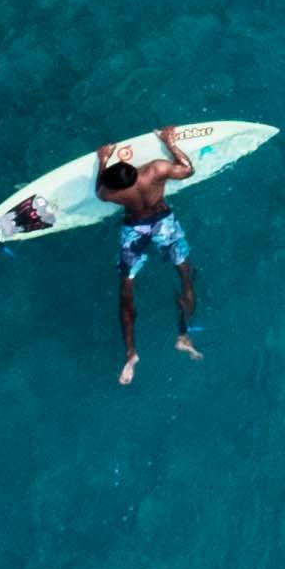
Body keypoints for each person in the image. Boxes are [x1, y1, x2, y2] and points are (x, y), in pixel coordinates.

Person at [103, 131, 203, 386]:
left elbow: (98, 189)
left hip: (134, 231)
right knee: (185, 276)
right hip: (163, 224)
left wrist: (102, 160)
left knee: (126, 292)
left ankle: (130, 355)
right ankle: (183, 336)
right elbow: (187, 169)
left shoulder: (111, 194)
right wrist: (170, 142)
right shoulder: (155, 170)